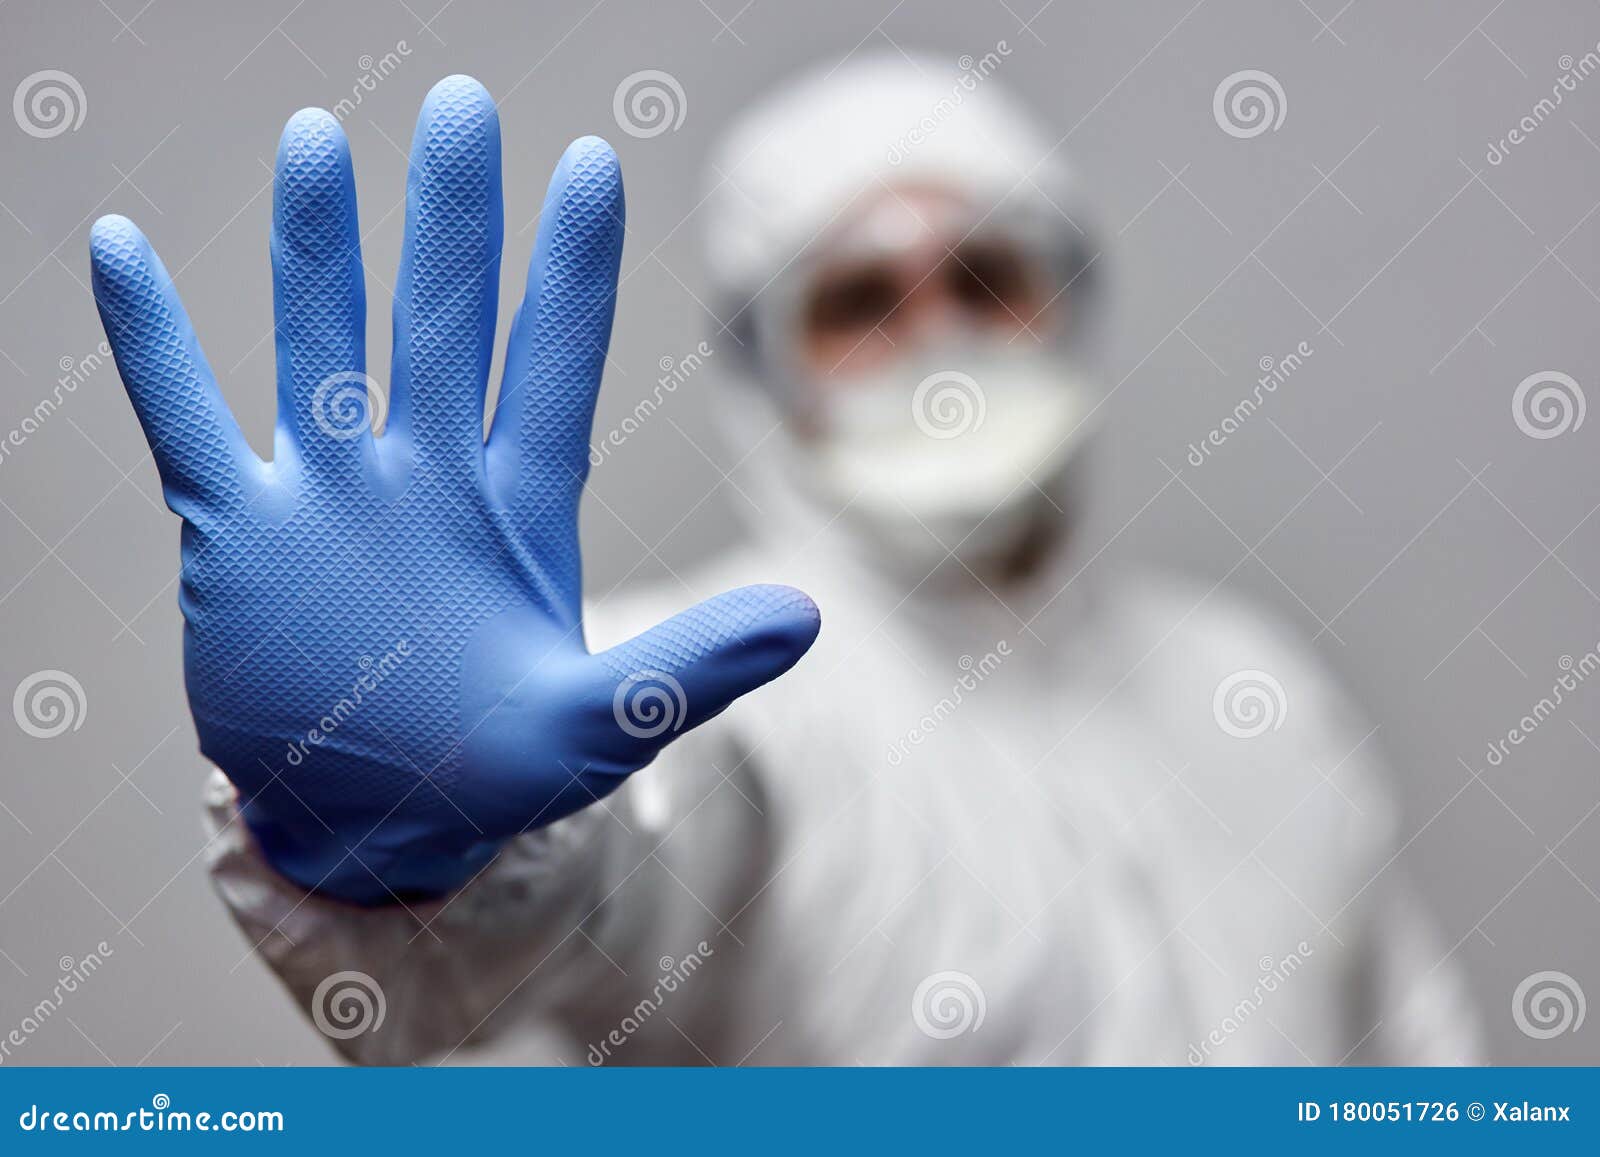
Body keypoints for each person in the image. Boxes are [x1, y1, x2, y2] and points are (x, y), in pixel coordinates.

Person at [90, 59, 1480, 1065]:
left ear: (1070, 303)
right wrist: (429, 840)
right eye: (861, 299)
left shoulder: (1251, 688)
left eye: (989, 274)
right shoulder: (698, 694)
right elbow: (626, 858)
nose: (940, 335)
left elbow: (1416, 1061)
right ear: (767, 371)